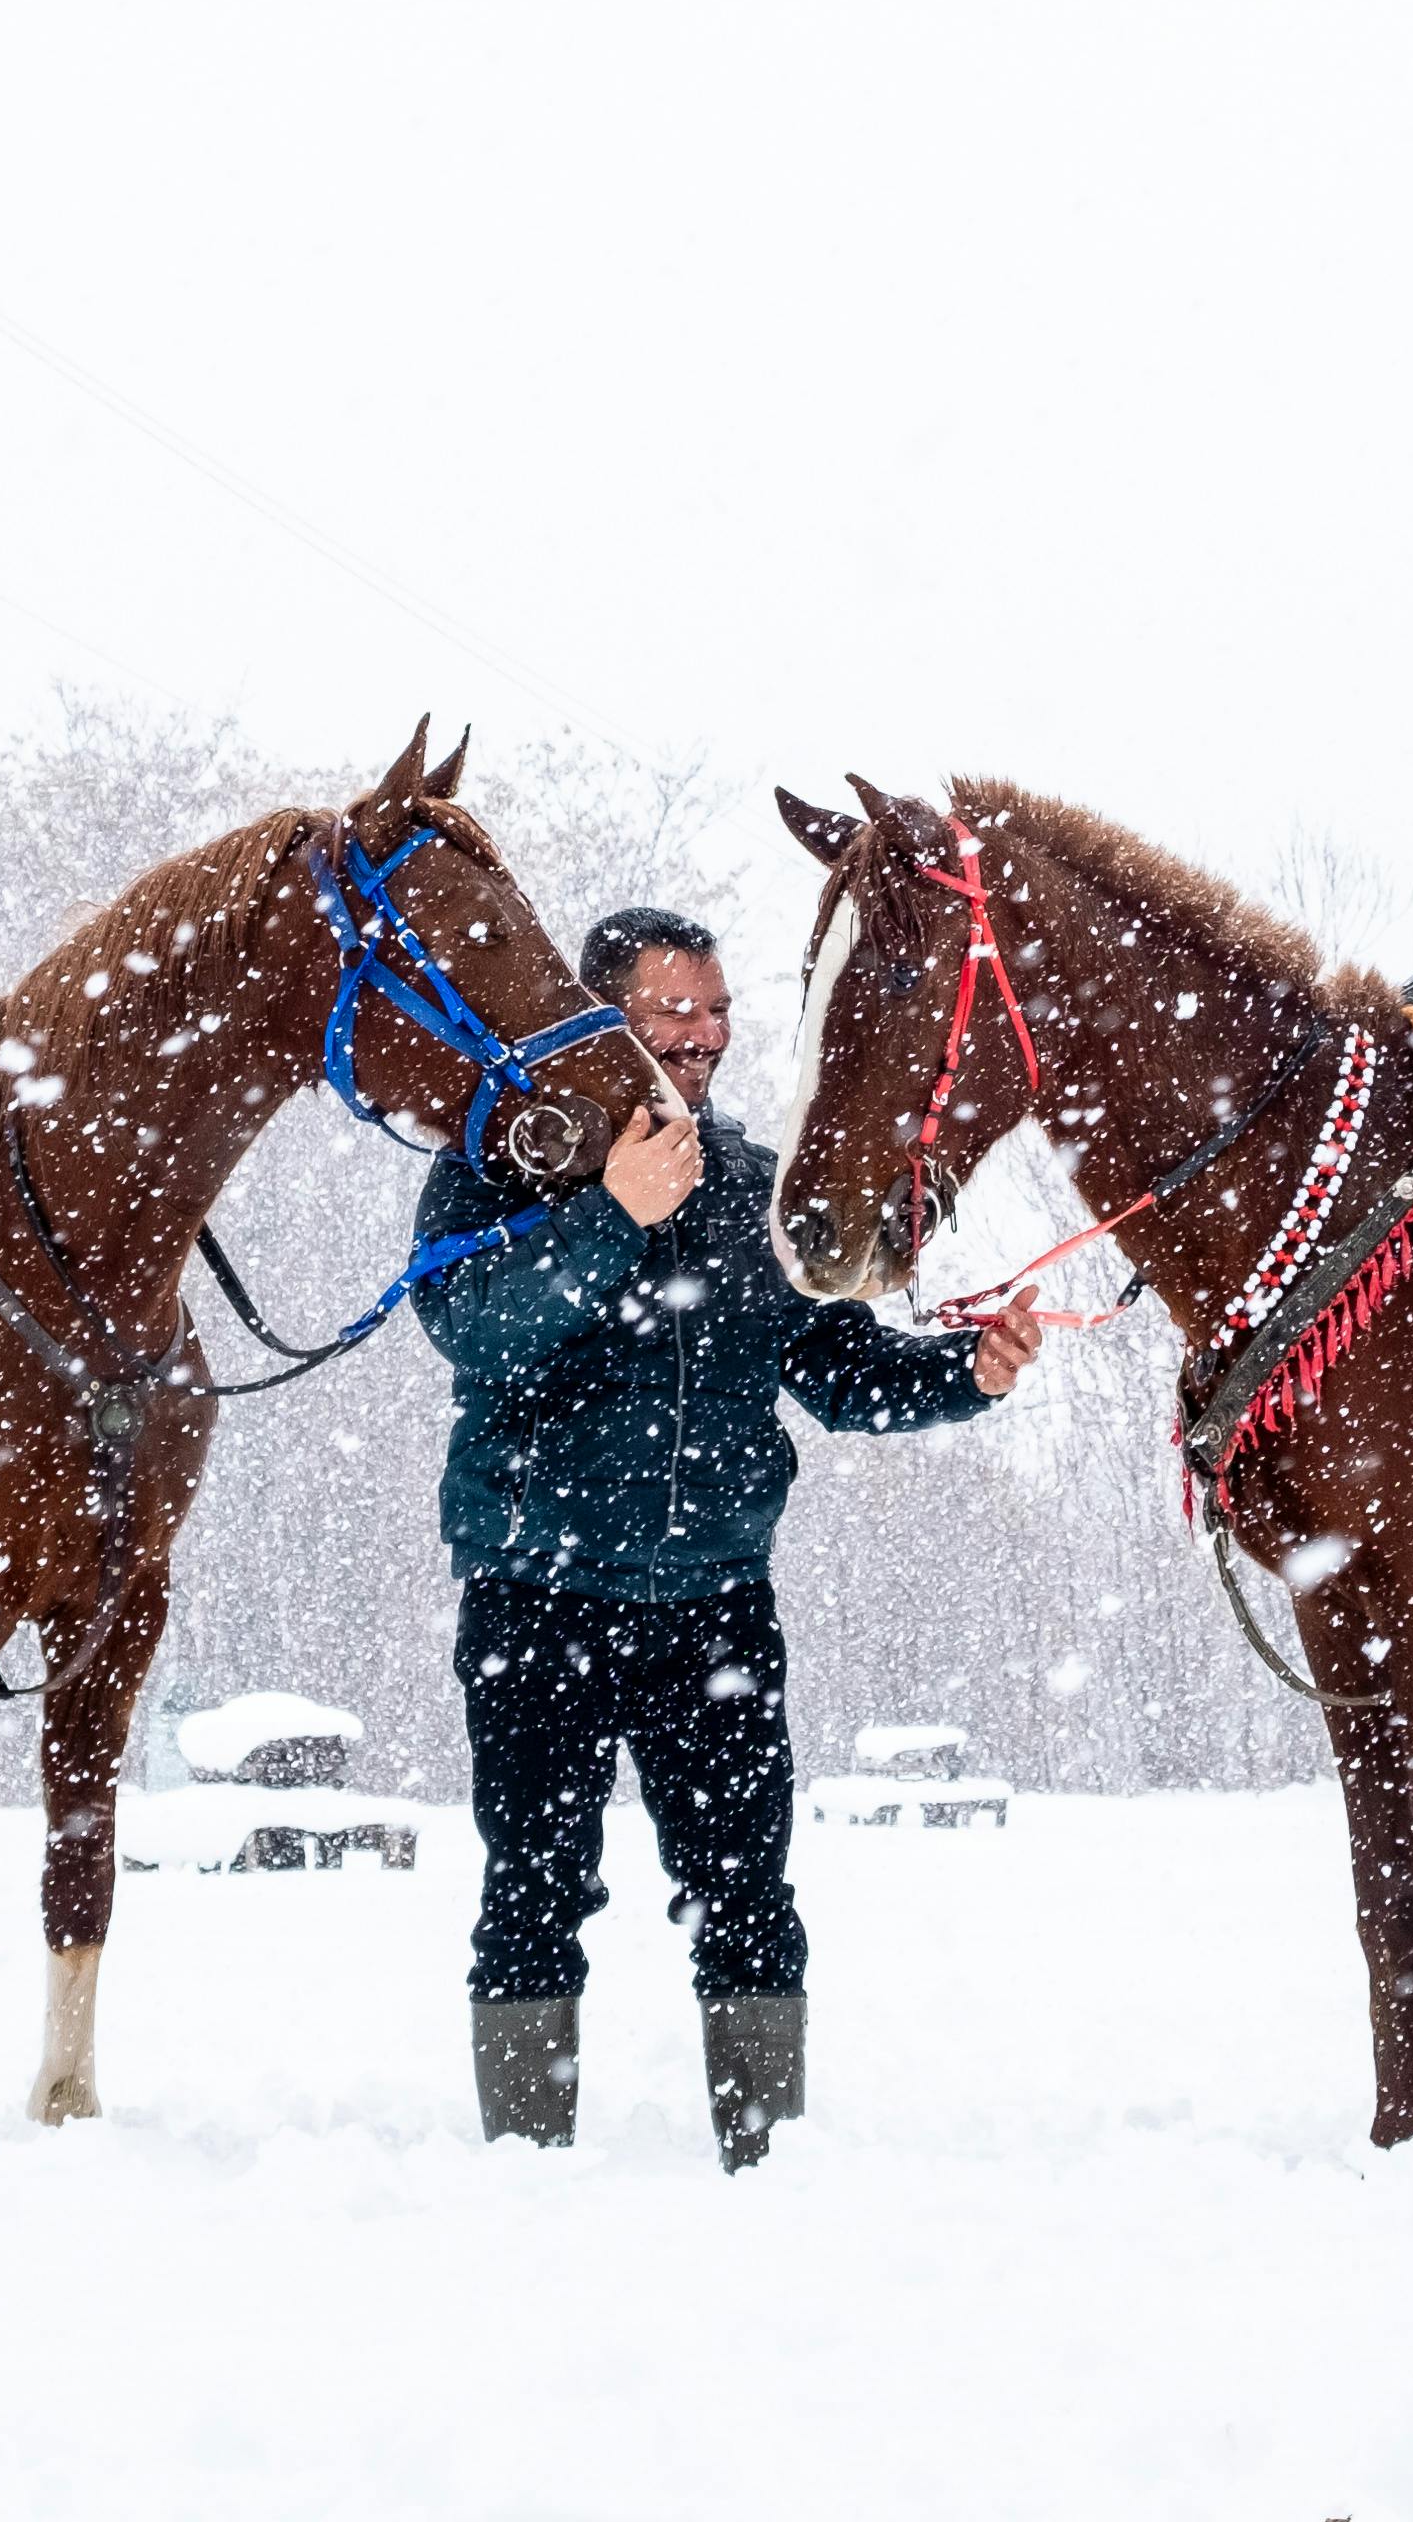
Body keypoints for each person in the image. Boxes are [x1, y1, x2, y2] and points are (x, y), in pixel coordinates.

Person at [415, 902, 1037, 2168]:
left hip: (714, 1603)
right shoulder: (503, 1157)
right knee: (532, 1894)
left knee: (751, 1896)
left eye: (716, 1007)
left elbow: (836, 1367)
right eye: (676, 1009)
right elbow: (466, 1323)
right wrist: (615, 1213)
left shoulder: (754, 1185)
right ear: (607, 1019)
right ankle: (526, 2179)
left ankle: (769, 2167)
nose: (707, 1033)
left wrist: (966, 1371)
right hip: (539, 1600)